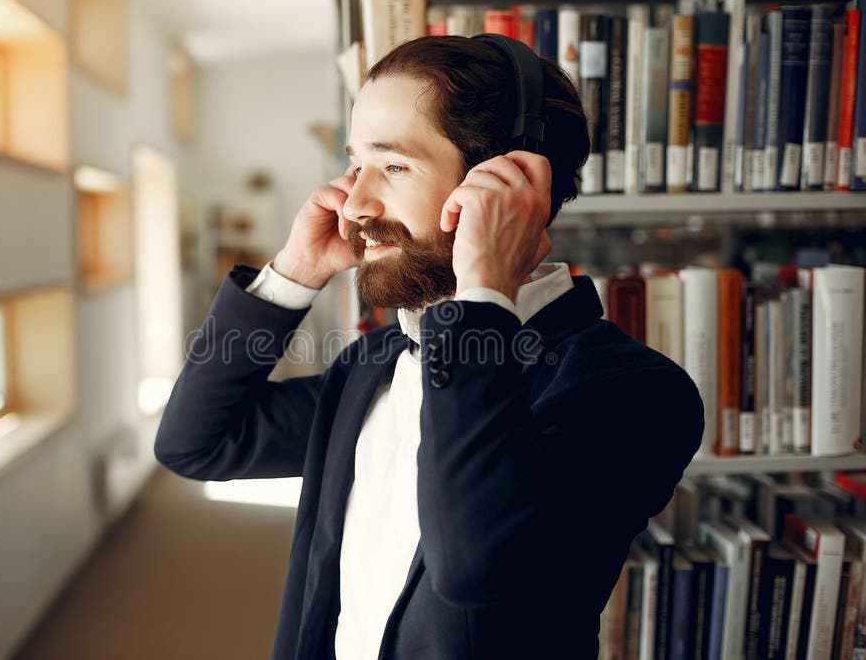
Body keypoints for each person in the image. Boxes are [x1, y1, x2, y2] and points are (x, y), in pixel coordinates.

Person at [155, 34, 704, 660]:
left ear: (506, 181)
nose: (355, 203)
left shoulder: (635, 393)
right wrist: (293, 271)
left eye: (394, 165)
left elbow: (476, 566)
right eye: (355, 162)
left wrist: (482, 290)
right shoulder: (373, 363)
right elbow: (195, 444)